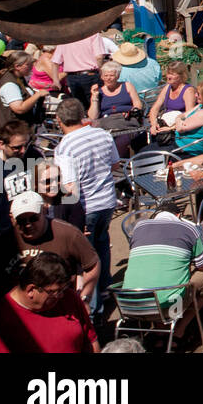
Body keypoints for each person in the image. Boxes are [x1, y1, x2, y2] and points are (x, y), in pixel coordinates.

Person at [53, 98, 119, 319]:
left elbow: (69, 187)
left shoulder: (65, 147)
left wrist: (70, 220)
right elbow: (115, 164)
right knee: (102, 244)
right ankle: (105, 289)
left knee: (86, 261)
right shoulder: (103, 134)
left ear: (59, 120)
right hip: (108, 202)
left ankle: (93, 310)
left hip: (86, 208)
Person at [0, 253, 99, 353]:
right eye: (55, 292)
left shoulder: (70, 298)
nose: (61, 296)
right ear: (31, 290)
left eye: (63, 289)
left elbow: (92, 341)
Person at [0, 120, 42, 301]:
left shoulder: (32, 156)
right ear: (1, 144)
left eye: (26, 144)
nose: (22, 151)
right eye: (16, 148)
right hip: (6, 238)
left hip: (33, 233)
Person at [10, 192, 100, 306]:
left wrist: (85, 298)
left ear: (44, 211)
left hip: (60, 307)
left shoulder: (68, 233)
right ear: (12, 219)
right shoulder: (4, 241)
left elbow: (93, 264)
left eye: (33, 218)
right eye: (22, 221)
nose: (28, 225)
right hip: (20, 310)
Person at [122, 199, 203, 312]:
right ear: (179, 216)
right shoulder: (189, 229)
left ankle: (157, 325)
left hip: (129, 303)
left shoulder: (138, 228)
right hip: (168, 305)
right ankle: (179, 327)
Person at [0, 50, 49, 140]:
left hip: (16, 130)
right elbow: (19, 108)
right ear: (17, 66)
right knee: (4, 153)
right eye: (29, 64)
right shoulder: (9, 85)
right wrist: (37, 95)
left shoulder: (18, 77)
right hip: (11, 133)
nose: (32, 67)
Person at [155, 79, 203, 158]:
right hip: (179, 143)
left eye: (198, 94)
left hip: (186, 150)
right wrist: (170, 128)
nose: (195, 95)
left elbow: (180, 127)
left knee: (146, 154)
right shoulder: (201, 106)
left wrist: (178, 119)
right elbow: (183, 118)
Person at [54, 33, 107, 107]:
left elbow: (55, 61)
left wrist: (56, 80)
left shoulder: (65, 37)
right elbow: (99, 57)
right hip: (91, 75)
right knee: (95, 104)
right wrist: (101, 72)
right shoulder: (93, 34)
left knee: (79, 106)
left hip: (72, 77)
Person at [147, 62, 198, 137]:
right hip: (165, 123)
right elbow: (154, 108)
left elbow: (189, 116)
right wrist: (153, 124)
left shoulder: (188, 91)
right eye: (168, 73)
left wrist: (170, 128)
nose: (168, 76)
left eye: (173, 74)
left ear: (181, 76)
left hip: (179, 128)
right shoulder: (168, 87)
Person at [34, 161, 85, 232]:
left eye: (57, 179)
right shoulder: (32, 203)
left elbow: (77, 234)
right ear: (36, 184)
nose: (54, 185)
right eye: (47, 181)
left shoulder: (70, 202)